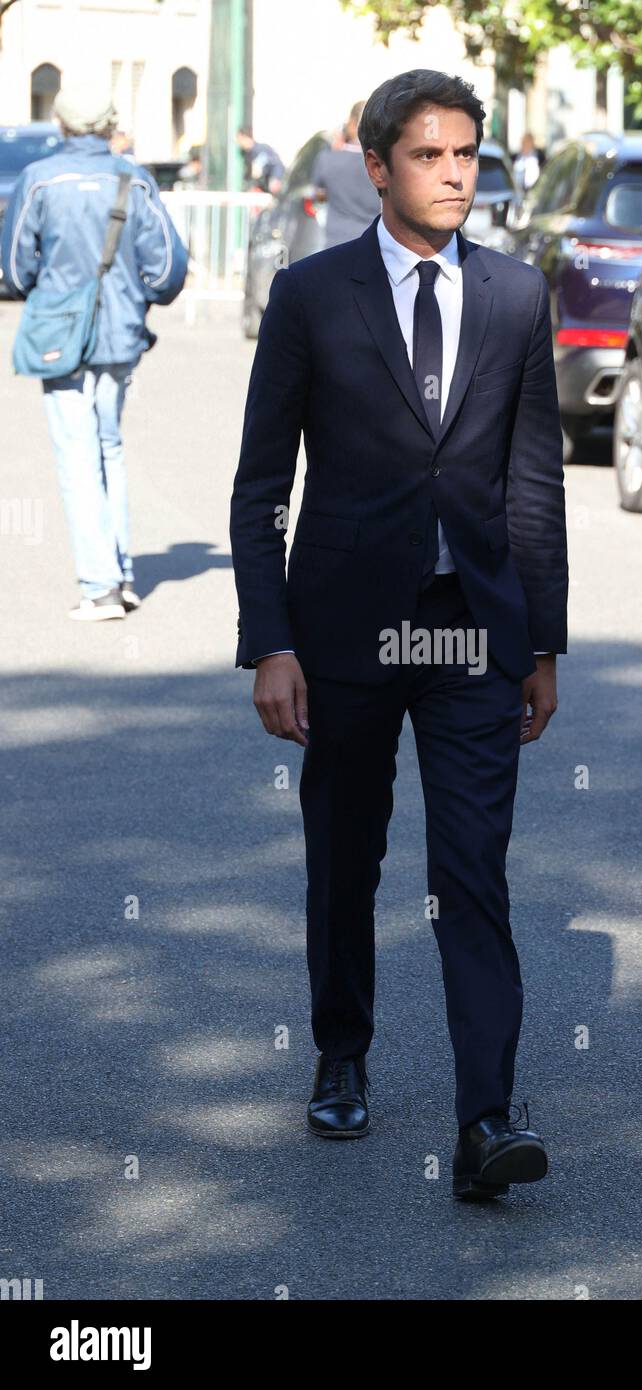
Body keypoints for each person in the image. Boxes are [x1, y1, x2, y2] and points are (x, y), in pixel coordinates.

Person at [229, 69, 568, 1201]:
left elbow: (532, 483)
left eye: (467, 153)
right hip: (344, 632)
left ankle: (486, 1120)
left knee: (473, 873)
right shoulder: (311, 295)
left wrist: (542, 639)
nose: (456, 173)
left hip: (473, 631)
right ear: (376, 167)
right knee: (345, 857)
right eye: (429, 156)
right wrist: (268, 639)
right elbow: (259, 486)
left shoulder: (518, 297)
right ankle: (340, 1052)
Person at [1, 82, 188, 621]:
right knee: (108, 446)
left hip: (62, 334)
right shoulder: (135, 178)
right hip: (122, 330)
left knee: (75, 454)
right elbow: (168, 267)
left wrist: (48, 283)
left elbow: (15, 270)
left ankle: (100, 586)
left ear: (61, 125)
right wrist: (138, 296)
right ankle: (121, 574)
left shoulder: (40, 180)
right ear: (110, 124)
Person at [310, 100, 382, 248]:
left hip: (336, 242)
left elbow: (316, 194)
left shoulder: (328, 159)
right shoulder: (381, 163)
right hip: (373, 241)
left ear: (351, 123)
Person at [235, 127, 284, 195]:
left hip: (274, 185)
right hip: (263, 187)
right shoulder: (246, 154)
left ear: (246, 137)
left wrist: (275, 178)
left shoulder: (260, 150)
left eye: (239, 139)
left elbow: (277, 165)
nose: (238, 142)